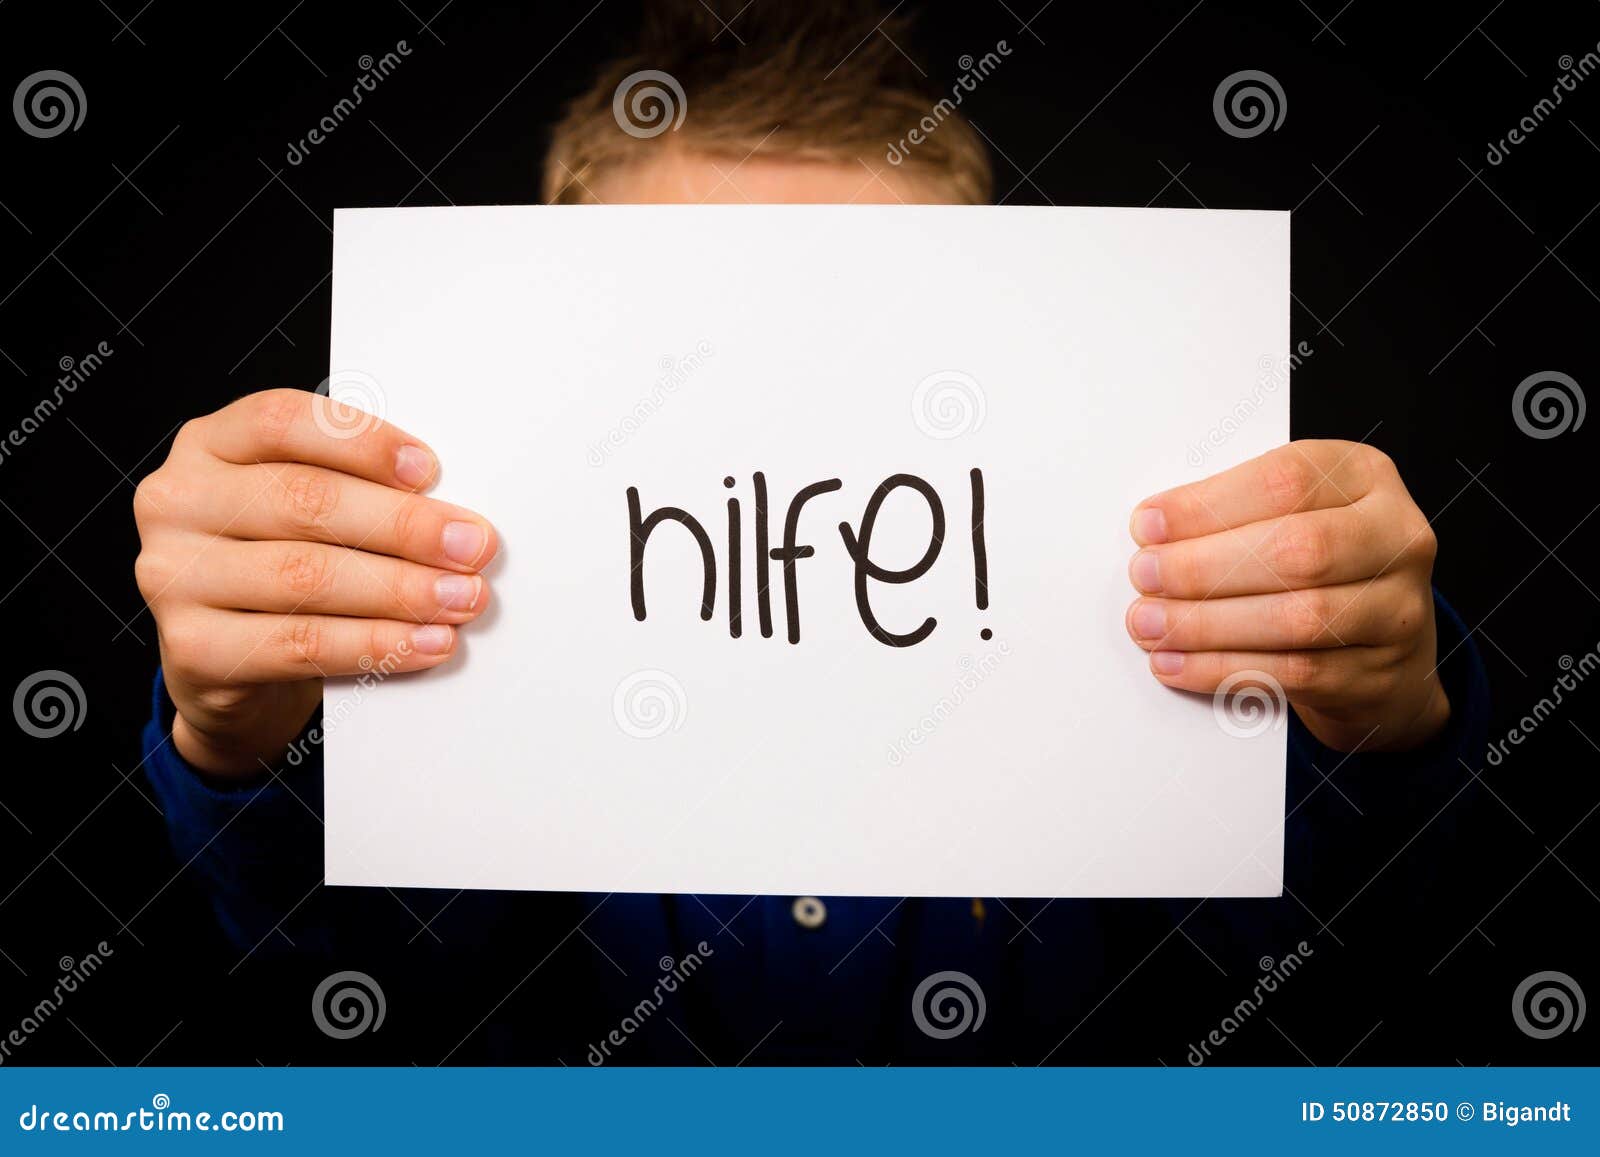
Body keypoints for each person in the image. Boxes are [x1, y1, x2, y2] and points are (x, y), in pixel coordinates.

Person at [132, 2, 1487, 1063]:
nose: (775, 418)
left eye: (857, 333)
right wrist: (243, 731)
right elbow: (340, 1000)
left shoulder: (1130, 629)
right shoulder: (452, 651)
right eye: (689, 340)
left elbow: (1343, 995)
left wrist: (1381, 712)